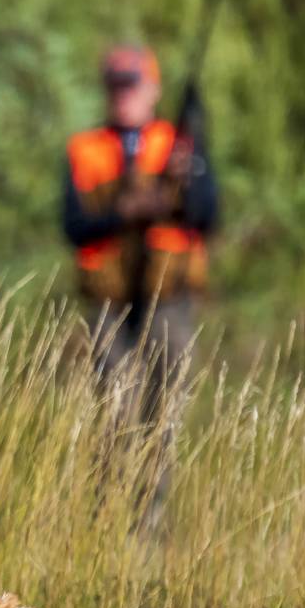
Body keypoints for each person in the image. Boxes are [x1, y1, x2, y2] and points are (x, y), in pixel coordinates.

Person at [60, 43, 218, 527]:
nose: (122, 94)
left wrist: (180, 186)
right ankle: (107, 517)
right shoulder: (84, 149)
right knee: (114, 409)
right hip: (108, 302)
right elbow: (73, 226)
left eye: (131, 84)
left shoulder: (180, 145)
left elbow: (207, 215)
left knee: (164, 410)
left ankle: (150, 518)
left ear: (153, 89)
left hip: (168, 299)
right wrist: (124, 213)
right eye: (114, 85)